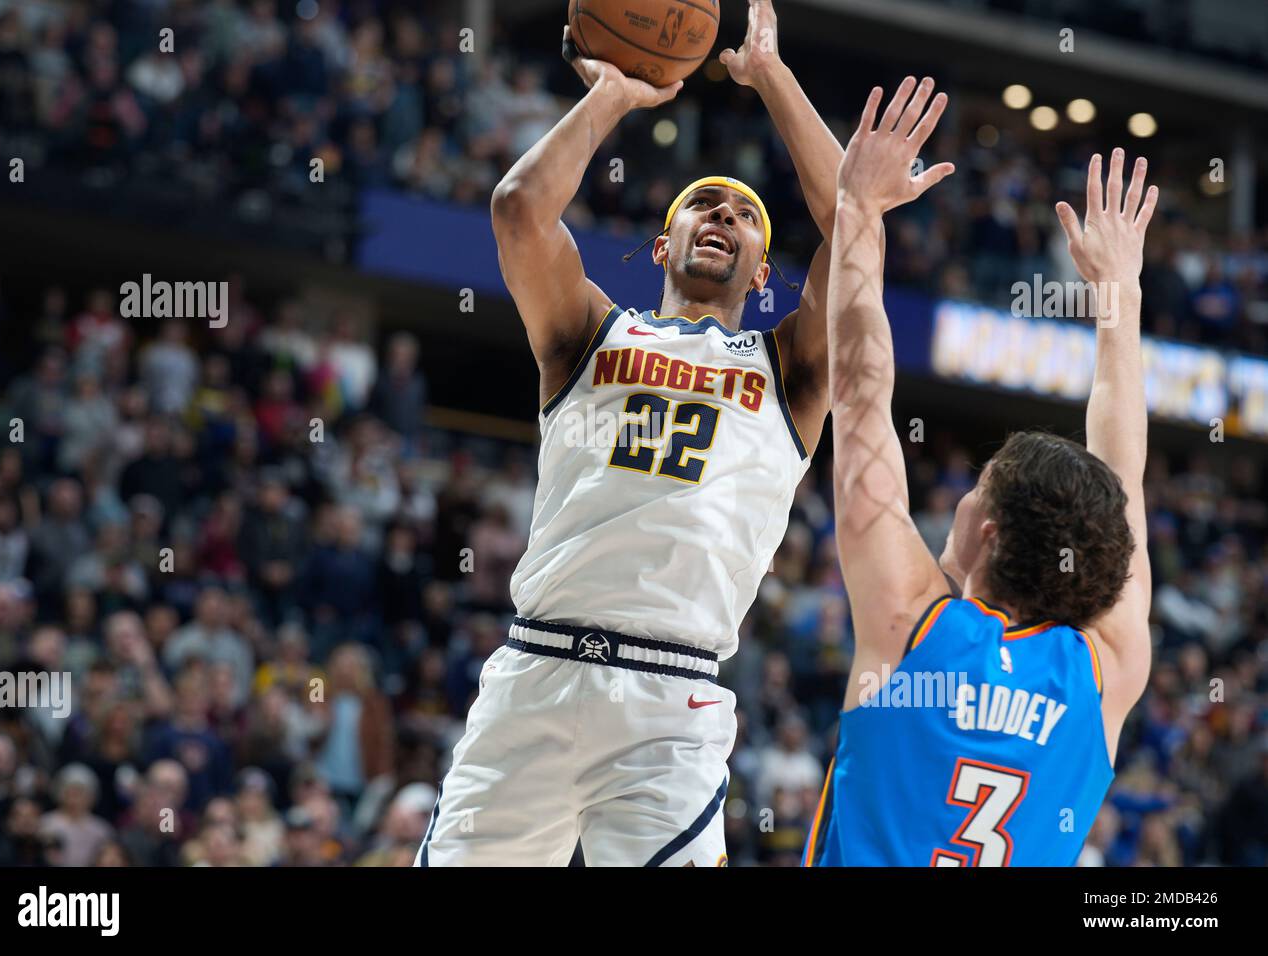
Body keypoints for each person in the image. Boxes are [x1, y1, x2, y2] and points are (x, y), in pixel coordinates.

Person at [422, 2, 843, 866]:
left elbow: (857, 228)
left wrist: (771, 75)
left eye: (742, 215)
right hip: (535, 671)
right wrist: (614, 94)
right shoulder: (589, 332)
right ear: (662, 245)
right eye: (704, 205)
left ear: (764, 271)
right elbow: (518, 211)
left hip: (669, 700)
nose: (722, 215)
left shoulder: (791, 368)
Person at [805, 78, 1158, 866]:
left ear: (986, 532)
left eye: (975, 489)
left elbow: (860, 389)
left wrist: (857, 212)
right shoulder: (1105, 672)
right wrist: (1121, 299)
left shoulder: (914, 628)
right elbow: (1123, 473)